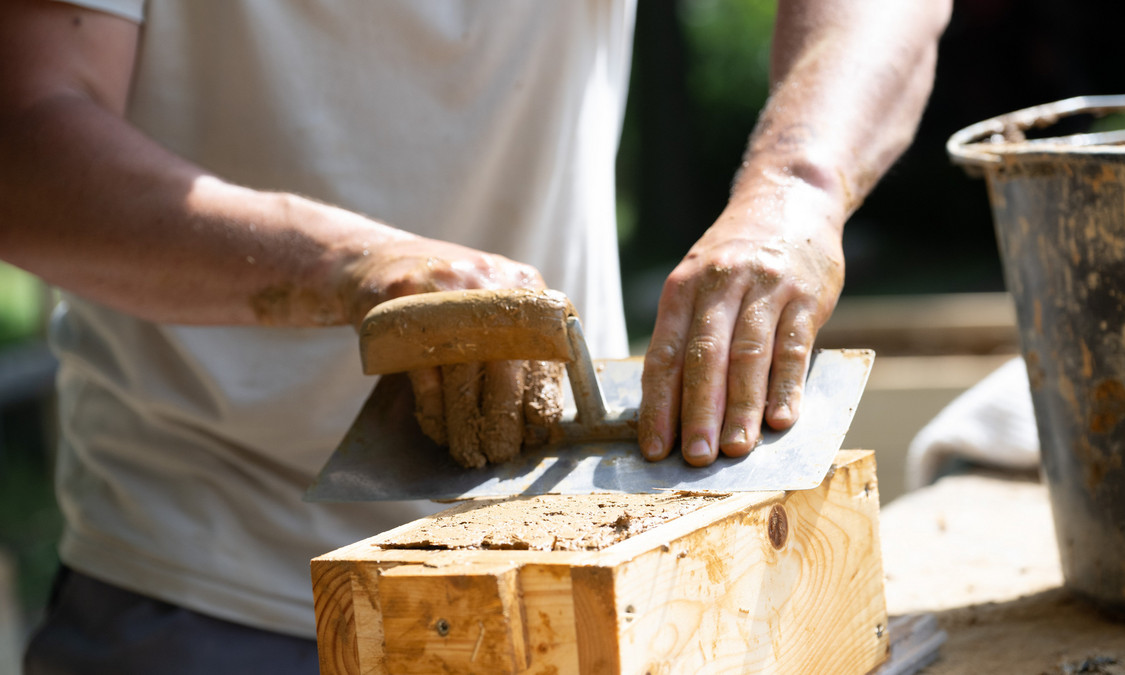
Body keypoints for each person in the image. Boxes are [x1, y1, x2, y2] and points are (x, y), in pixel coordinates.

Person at [0, 0, 950, 671]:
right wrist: (353, 265)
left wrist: (796, 190)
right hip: (211, 578)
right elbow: (26, 142)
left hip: (571, 569)